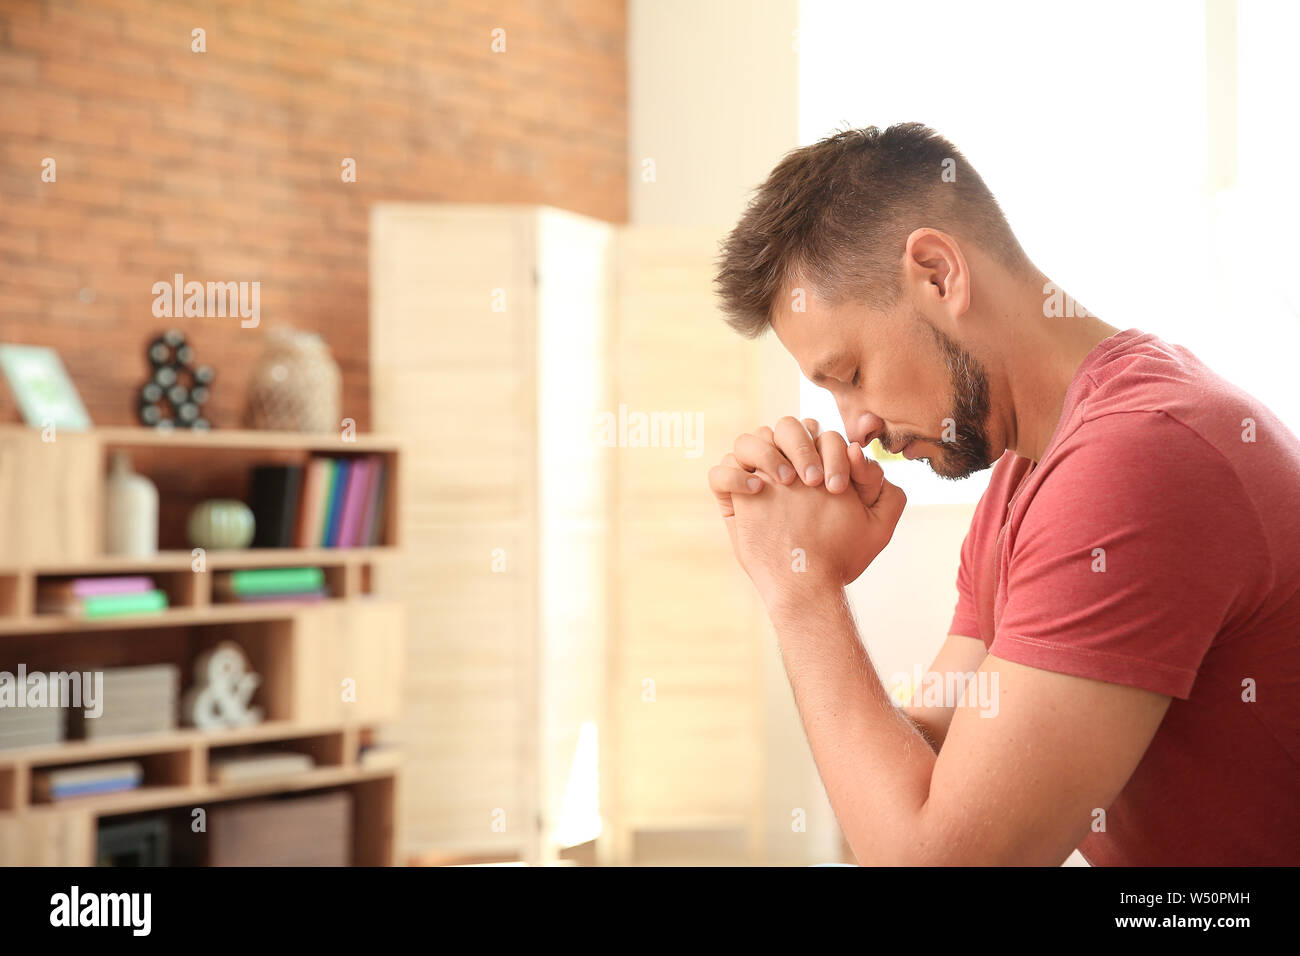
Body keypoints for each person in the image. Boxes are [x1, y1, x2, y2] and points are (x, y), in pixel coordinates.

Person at [707, 123, 1300, 865]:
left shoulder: (1141, 456)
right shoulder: (1029, 470)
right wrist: (802, 562)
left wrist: (802, 592)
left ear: (938, 274)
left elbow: (938, 859)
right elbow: (932, 765)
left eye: (850, 373)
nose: (853, 430)